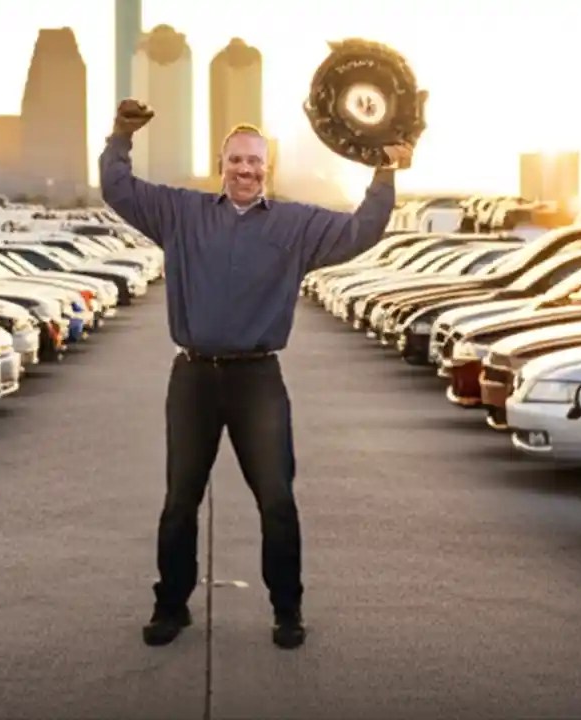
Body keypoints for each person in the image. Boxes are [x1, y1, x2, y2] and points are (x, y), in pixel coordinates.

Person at [99, 94, 427, 650]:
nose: (246, 170)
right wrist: (119, 137)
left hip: (258, 381)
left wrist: (385, 171)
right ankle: (171, 606)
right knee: (181, 499)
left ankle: (287, 611)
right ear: (221, 167)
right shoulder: (181, 214)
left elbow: (361, 231)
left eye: (255, 161)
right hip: (194, 378)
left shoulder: (297, 226)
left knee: (276, 499)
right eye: (236, 161)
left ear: (266, 169)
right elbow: (119, 189)